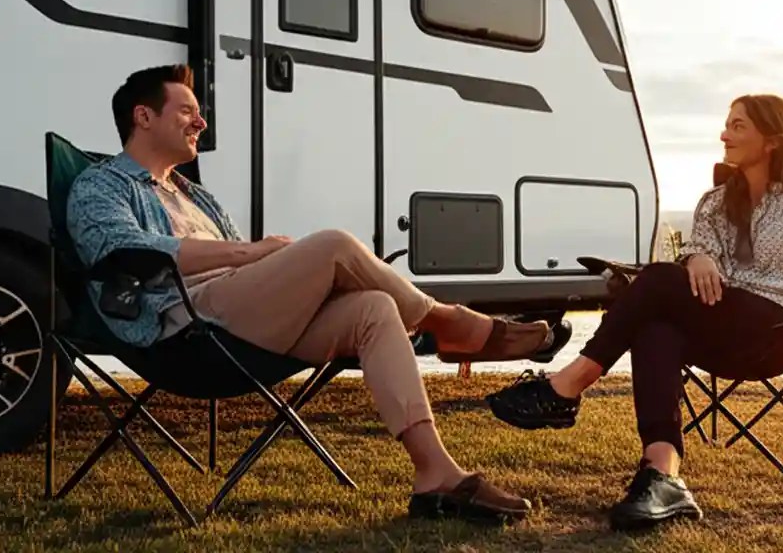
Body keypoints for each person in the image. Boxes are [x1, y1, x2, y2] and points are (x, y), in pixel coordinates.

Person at [66, 64, 568, 522]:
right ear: (143, 116)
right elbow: (119, 248)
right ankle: (452, 323)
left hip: (238, 323)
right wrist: (250, 253)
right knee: (332, 245)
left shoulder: (198, 196)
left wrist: (263, 258)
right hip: (184, 331)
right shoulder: (101, 185)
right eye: (188, 111)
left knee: (374, 308)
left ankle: (436, 473)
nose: (200, 123)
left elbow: (245, 266)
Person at [484, 94, 783, 531]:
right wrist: (698, 259)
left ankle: (568, 386)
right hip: (722, 322)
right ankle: (663, 474)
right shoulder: (715, 201)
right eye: (726, 124)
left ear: (772, 141)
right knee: (655, 328)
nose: (724, 134)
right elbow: (699, 251)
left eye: (738, 126)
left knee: (655, 281)